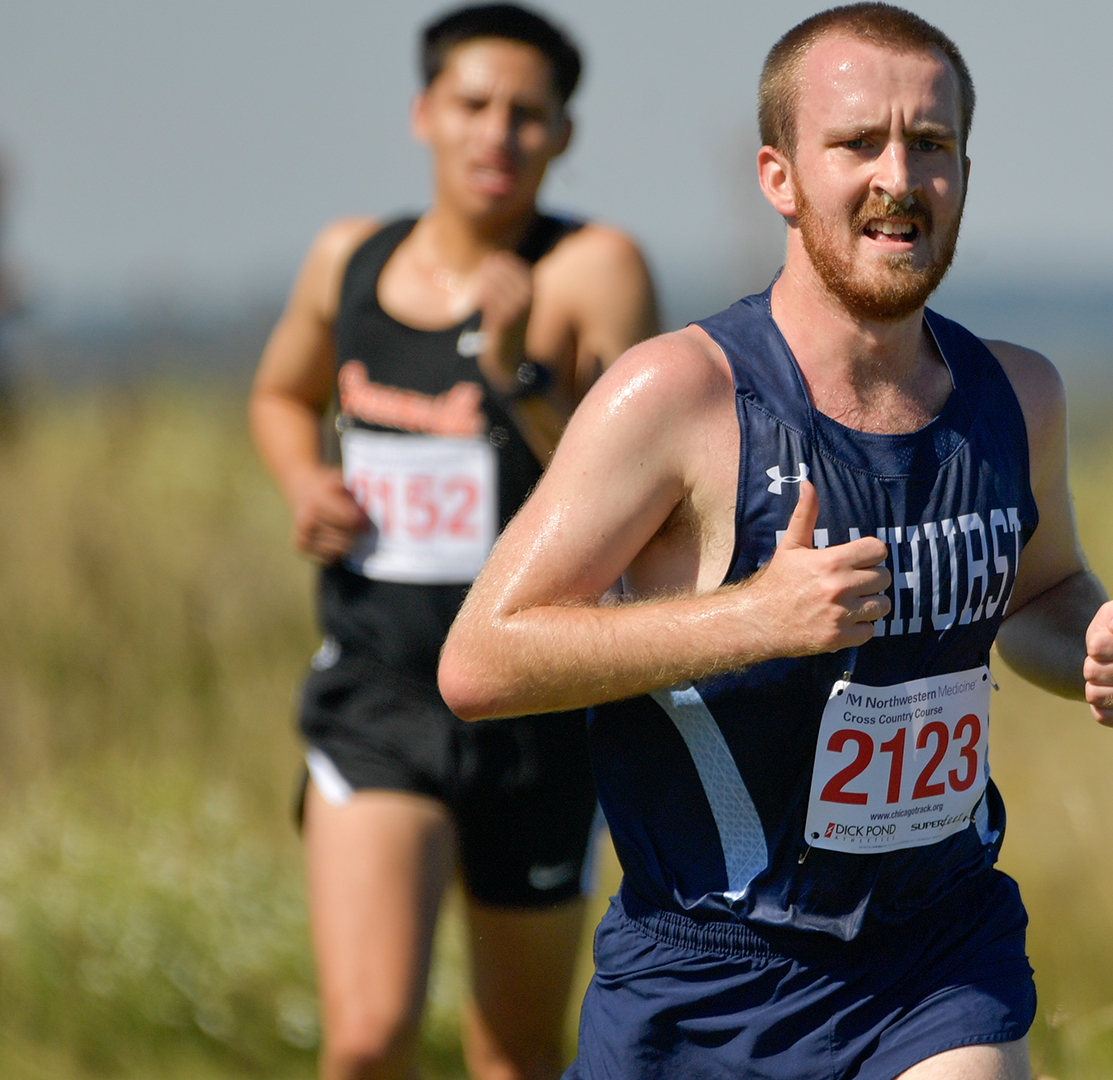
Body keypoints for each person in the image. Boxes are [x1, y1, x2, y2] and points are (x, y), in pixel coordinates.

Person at [437, 4, 1113, 1078]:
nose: (898, 177)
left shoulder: (1019, 395)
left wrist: (1093, 650)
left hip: (934, 954)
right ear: (779, 177)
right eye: (858, 143)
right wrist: (754, 620)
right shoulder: (675, 396)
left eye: (932, 145)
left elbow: (1044, 592)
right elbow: (481, 660)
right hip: (704, 981)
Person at [248, 5, 657, 1079]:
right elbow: (282, 393)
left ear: (564, 134)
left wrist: (518, 373)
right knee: (369, 1039)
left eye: (529, 115)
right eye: (474, 106)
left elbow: (639, 490)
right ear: (424, 113)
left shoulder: (595, 269)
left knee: (515, 1059)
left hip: (539, 705)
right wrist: (303, 481)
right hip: (380, 691)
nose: (498, 135)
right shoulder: (350, 258)